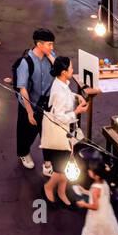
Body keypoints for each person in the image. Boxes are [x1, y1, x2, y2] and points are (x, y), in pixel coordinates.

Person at [41, 56, 88, 207]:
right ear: (63, 72)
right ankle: (49, 187)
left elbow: (65, 95)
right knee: (61, 168)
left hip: (66, 133)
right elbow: (59, 117)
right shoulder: (59, 91)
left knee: (66, 165)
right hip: (60, 134)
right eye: (71, 68)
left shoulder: (60, 83)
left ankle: (61, 191)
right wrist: (77, 111)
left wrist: (76, 95)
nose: (73, 70)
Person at [15, 28, 57, 173]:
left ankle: (47, 162)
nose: (52, 48)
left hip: (46, 103)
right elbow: (23, 89)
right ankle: (23, 153)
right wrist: (29, 112)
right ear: (39, 44)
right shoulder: (26, 62)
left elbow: (60, 72)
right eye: (49, 44)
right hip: (30, 104)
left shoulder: (51, 57)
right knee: (26, 132)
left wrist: (51, 57)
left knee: (47, 132)